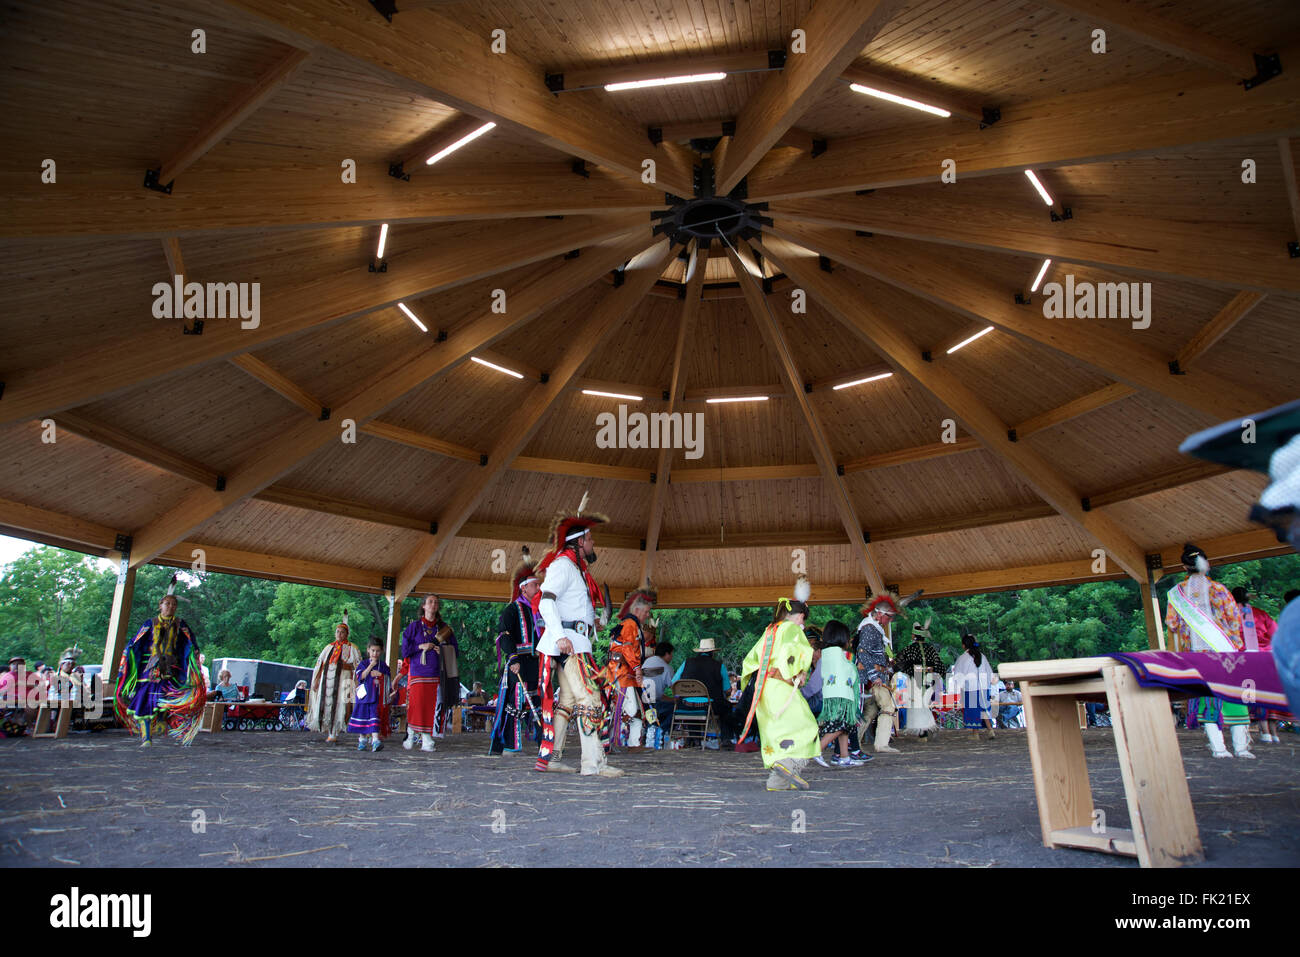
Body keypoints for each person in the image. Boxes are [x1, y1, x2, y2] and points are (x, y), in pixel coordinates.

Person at [534, 496, 621, 777]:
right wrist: (559, 636)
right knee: (591, 697)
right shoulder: (563, 566)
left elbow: (568, 608)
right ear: (578, 542)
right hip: (569, 645)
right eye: (590, 539)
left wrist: (595, 622)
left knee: (569, 701)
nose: (593, 544)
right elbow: (545, 601)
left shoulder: (576, 570)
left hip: (574, 641)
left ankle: (555, 758)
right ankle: (592, 764)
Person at [1165, 543, 1252, 758]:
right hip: (1224, 653)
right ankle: (1240, 748)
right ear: (1207, 564)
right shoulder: (1219, 590)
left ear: (1184, 568)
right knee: (1233, 697)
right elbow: (1234, 621)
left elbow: (1172, 623)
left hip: (1196, 656)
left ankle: (1218, 748)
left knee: (1206, 696)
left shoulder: (1177, 594)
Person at [739, 576, 819, 791]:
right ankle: (788, 764)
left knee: (777, 731)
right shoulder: (791, 630)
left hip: (765, 690)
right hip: (782, 687)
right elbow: (797, 654)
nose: (802, 625)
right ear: (800, 616)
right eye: (802, 621)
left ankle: (777, 781)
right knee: (807, 726)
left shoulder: (770, 630)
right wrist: (798, 673)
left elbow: (750, 660)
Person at [115, 576, 206, 747]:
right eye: (167, 604)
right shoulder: (150, 623)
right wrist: (127, 654)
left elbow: (191, 642)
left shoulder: (181, 624)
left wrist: (194, 653)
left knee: (168, 699)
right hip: (150, 670)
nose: (171, 607)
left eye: (174, 604)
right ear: (160, 605)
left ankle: (163, 721)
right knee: (145, 702)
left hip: (172, 669)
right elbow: (136, 642)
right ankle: (146, 737)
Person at [490, 550, 544, 755]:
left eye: (539, 585)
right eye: (535, 585)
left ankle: (544, 743)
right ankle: (510, 743)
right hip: (518, 663)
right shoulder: (512, 609)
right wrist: (511, 657)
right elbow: (503, 634)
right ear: (523, 588)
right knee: (516, 702)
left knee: (538, 702)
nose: (539, 587)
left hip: (537, 663)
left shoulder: (540, 610)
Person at [604, 583, 657, 752]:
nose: (648, 615)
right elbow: (627, 647)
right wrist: (637, 668)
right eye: (646, 612)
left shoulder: (631, 625)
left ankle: (632, 743)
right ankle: (612, 742)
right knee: (625, 707)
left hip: (625, 672)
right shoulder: (630, 624)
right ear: (637, 610)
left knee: (634, 708)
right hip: (621, 672)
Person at [400, 594, 455, 753]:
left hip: (437, 672)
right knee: (418, 705)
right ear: (423, 606)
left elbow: (455, 650)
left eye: (436, 602)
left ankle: (423, 735)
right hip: (418, 672)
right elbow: (405, 650)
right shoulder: (414, 627)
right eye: (430, 602)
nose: (433, 604)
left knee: (432, 706)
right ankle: (418, 735)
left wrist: (442, 649)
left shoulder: (444, 629)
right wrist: (420, 647)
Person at [814, 620, 868, 767]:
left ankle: (844, 757)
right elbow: (855, 666)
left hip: (833, 694)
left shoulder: (826, 654)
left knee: (845, 725)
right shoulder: (842, 655)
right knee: (842, 726)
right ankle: (817, 748)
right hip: (842, 695)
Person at [1232, 587, 1283, 743]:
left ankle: (1263, 731)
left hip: (1244, 659)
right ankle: (1273, 733)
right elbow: (1276, 635)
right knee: (1267, 693)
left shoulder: (1231, 615)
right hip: (1265, 658)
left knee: (1250, 693)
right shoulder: (1261, 614)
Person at [855, 595, 902, 753]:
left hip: (871, 677)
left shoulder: (872, 628)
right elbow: (863, 653)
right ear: (880, 614)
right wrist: (874, 676)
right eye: (889, 617)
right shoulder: (870, 628)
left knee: (870, 711)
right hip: (872, 678)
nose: (890, 620)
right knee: (888, 707)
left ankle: (854, 744)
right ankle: (881, 744)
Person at [306, 610, 360, 744]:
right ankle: (329, 730)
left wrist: (356, 683)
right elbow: (319, 665)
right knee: (327, 704)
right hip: (327, 681)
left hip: (344, 681)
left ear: (347, 634)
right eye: (337, 632)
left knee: (341, 706)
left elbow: (358, 667)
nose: (339, 634)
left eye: (342, 632)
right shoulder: (328, 648)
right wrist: (317, 680)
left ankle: (334, 731)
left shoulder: (352, 648)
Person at [672, 637, 734, 742]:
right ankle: (726, 739)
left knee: (692, 704)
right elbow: (727, 690)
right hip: (710, 706)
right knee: (727, 707)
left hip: (685, 705)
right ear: (713, 652)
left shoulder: (686, 663)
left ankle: (694, 738)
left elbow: (674, 683)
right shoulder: (719, 666)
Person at [894, 619, 943, 740]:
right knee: (922, 705)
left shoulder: (910, 649)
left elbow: (899, 662)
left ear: (914, 636)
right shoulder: (930, 649)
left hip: (916, 679)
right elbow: (940, 666)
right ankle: (925, 729)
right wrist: (931, 670)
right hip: (928, 680)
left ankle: (924, 731)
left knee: (918, 705)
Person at [348, 638, 390, 752]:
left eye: (377, 651)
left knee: (374, 717)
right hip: (364, 697)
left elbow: (388, 679)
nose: (375, 653)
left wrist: (381, 676)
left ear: (381, 651)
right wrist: (370, 667)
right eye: (373, 651)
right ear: (368, 651)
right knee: (363, 718)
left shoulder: (383, 666)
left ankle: (375, 740)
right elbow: (360, 677)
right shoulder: (363, 664)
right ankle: (362, 740)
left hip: (376, 697)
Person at [953, 633, 996, 739]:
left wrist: (960, 685)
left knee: (973, 710)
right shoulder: (982, 656)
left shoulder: (962, 658)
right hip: (984, 687)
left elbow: (958, 674)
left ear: (964, 645)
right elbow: (989, 672)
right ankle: (990, 730)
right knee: (983, 709)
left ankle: (975, 733)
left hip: (970, 688)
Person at [641, 641, 675, 730]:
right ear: (667, 654)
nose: (672, 657)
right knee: (675, 709)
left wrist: (672, 699)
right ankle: (662, 732)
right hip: (654, 704)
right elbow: (675, 689)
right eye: (671, 654)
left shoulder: (647, 661)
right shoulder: (667, 668)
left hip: (641, 700)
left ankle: (651, 730)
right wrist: (677, 700)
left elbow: (656, 693)